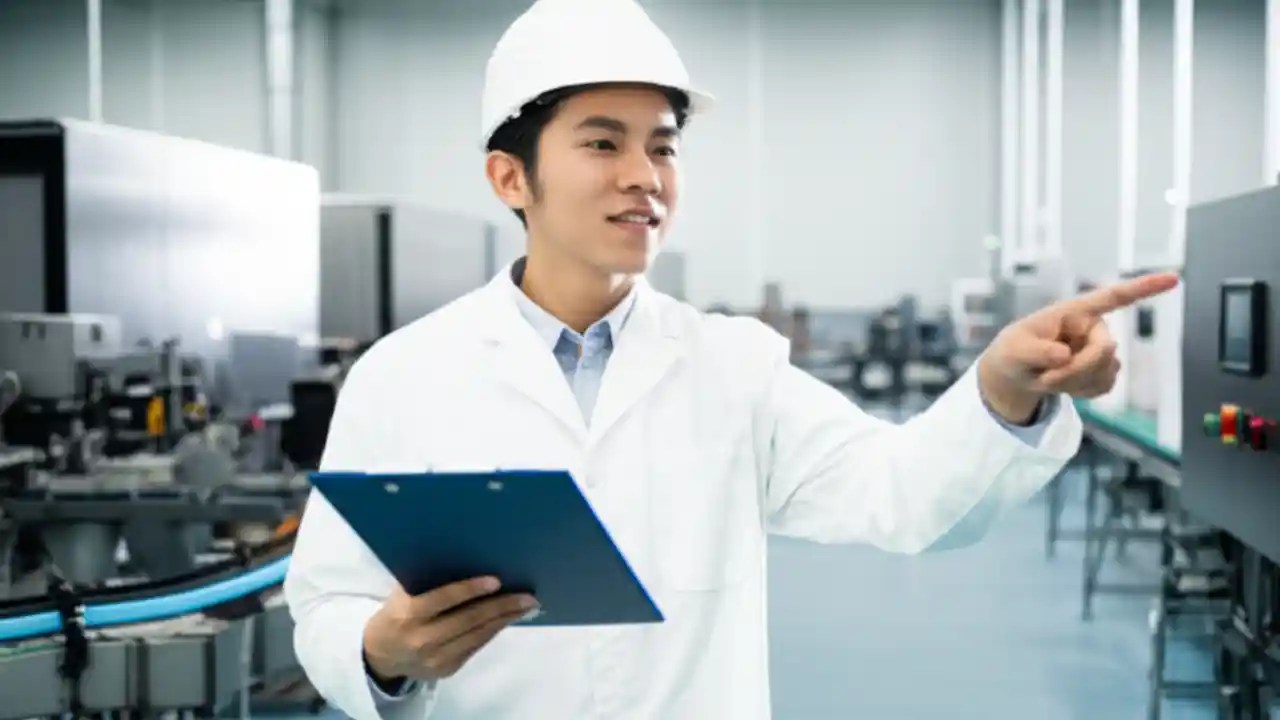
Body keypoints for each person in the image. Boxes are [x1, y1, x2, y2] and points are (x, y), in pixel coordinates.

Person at [283, 1, 1179, 718]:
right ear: (511, 179)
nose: (647, 175)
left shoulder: (733, 367)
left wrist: (998, 391)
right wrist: (381, 656)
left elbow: (902, 496)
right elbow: (325, 604)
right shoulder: (406, 376)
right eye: (604, 142)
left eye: (663, 145)